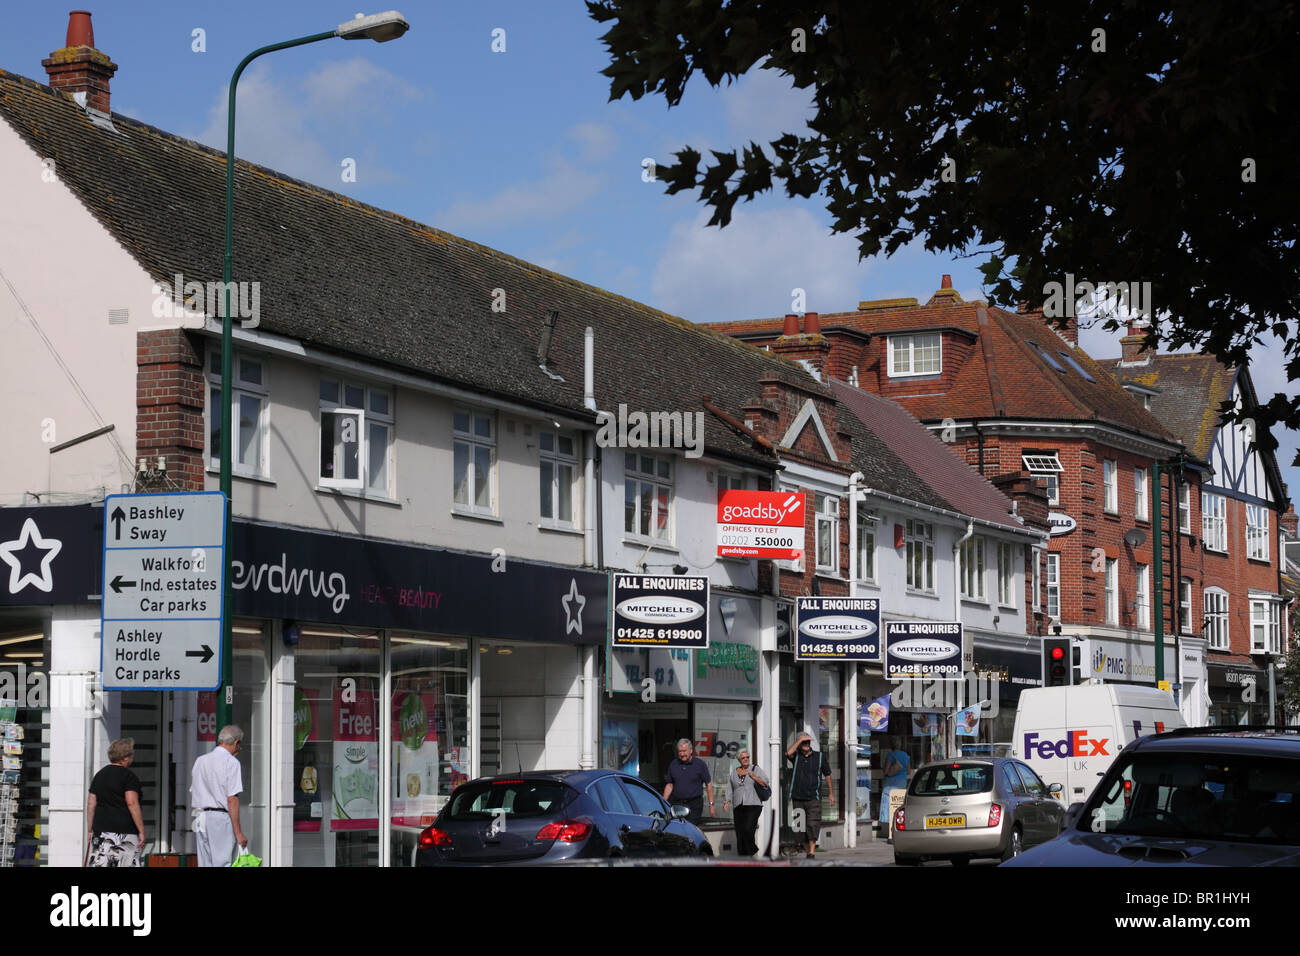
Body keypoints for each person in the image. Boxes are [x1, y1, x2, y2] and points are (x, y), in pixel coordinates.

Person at [190, 724, 248, 867]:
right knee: (222, 862)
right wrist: (238, 832)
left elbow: (194, 790)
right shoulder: (231, 762)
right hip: (220, 818)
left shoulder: (200, 760)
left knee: (205, 863)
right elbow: (232, 799)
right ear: (236, 742)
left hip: (200, 816)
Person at [85, 737, 146, 867]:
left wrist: (90, 829)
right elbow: (132, 803)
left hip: (101, 830)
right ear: (125, 757)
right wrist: (141, 830)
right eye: (131, 754)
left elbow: (91, 803)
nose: (132, 757)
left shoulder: (99, 775)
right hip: (125, 832)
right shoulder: (128, 777)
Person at [786, 731, 833, 858]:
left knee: (813, 824)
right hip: (798, 797)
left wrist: (831, 793)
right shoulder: (796, 756)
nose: (806, 744)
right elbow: (788, 753)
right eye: (804, 742)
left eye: (808, 742)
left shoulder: (819, 757)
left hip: (813, 798)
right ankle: (808, 851)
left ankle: (811, 852)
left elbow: (828, 774)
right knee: (800, 828)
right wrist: (799, 740)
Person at [723, 749, 768, 857]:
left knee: (748, 829)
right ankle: (743, 855)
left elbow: (765, 782)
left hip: (754, 804)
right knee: (740, 831)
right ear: (739, 759)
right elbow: (730, 787)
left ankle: (751, 850)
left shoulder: (755, 769)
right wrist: (726, 800)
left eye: (747, 757)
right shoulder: (734, 772)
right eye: (743, 758)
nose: (746, 759)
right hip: (738, 805)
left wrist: (754, 777)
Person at [662, 738, 714, 826]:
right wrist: (663, 802)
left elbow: (708, 784)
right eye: (679, 751)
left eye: (684, 751)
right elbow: (670, 785)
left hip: (694, 804)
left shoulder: (700, 764)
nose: (682, 754)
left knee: (690, 829)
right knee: (678, 829)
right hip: (678, 803)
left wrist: (711, 805)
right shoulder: (673, 764)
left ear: (691, 751)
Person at [880, 738, 911, 835]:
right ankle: (899, 827)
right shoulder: (906, 756)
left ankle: (891, 829)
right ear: (901, 745)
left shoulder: (891, 755)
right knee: (899, 806)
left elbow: (886, 771)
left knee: (890, 807)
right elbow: (909, 771)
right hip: (902, 784)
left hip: (891, 785)